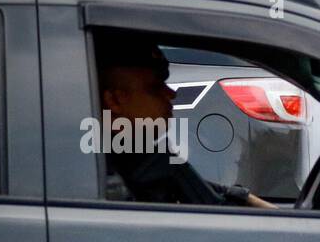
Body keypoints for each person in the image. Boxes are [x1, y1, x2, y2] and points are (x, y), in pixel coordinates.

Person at [98, 37, 275, 208]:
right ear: (114, 100)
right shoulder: (129, 172)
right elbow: (216, 214)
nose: (171, 94)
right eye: (155, 88)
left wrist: (244, 197)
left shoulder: (129, 157)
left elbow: (208, 194)